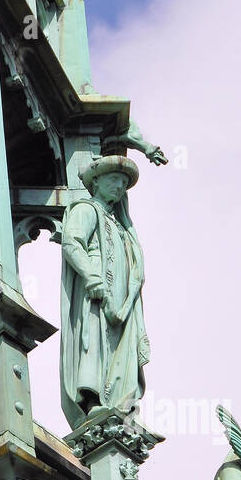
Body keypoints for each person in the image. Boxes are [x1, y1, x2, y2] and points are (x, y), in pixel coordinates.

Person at [60, 155, 149, 429]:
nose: (119, 188)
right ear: (96, 181)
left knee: (119, 350)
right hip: (96, 294)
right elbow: (72, 242)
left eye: (123, 184)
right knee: (94, 341)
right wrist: (90, 276)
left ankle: (120, 403)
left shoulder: (122, 226)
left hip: (121, 302)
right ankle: (92, 398)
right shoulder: (86, 209)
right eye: (114, 180)